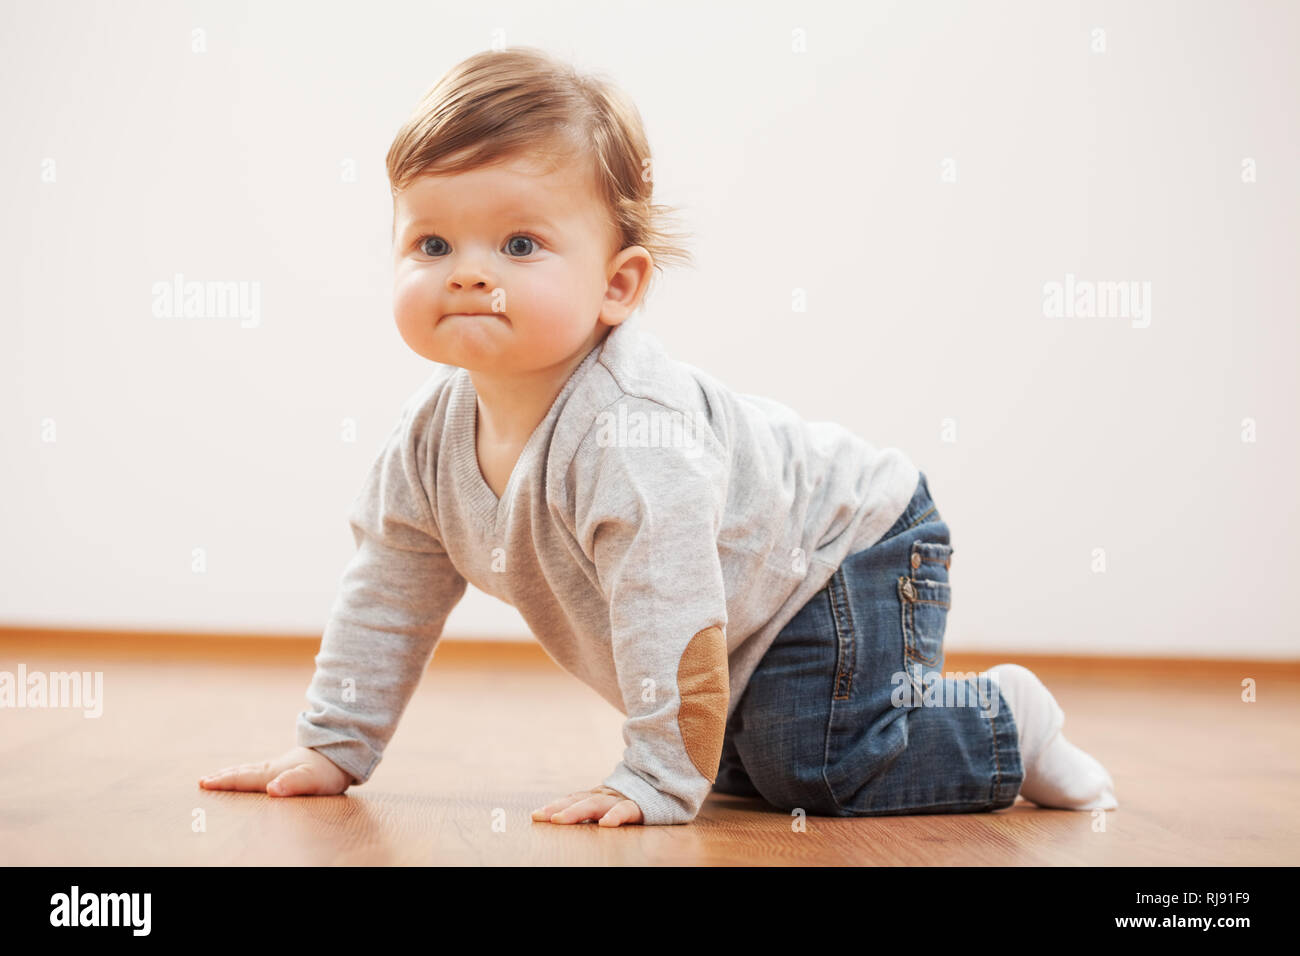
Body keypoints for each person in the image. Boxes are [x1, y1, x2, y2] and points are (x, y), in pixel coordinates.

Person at [199, 46, 1116, 826]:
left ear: (618, 287)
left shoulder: (631, 437)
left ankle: (1003, 719)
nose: (470, 274)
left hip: (851, 547)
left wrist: (651, 776)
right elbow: (387, 591)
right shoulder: (427, 445)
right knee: (741, 769)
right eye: (433, 245)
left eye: (519, 245)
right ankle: (784, 740)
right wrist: (334, 745)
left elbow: (667, 607)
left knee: (818, 765)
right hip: (754, 595)